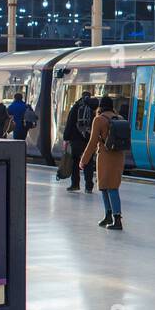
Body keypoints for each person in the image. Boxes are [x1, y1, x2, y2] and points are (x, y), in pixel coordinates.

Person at [80, 95, 126, 231]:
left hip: (105, 157)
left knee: (109, 187)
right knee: (107, 186)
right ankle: (108, 216)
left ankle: (116, 219)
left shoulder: (99, 119)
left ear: (101, 106)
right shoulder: (120, 118)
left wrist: (84, 160)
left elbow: (92, 142)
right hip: (119, 156)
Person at [63, 90, 96, 193]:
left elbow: (70, 122)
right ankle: (89, 186)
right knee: (88, 162)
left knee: (75, 162)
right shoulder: (93, 109)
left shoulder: (76, 107)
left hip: (75, 140)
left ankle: (75, 184)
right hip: (88, 140)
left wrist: (66, 138)